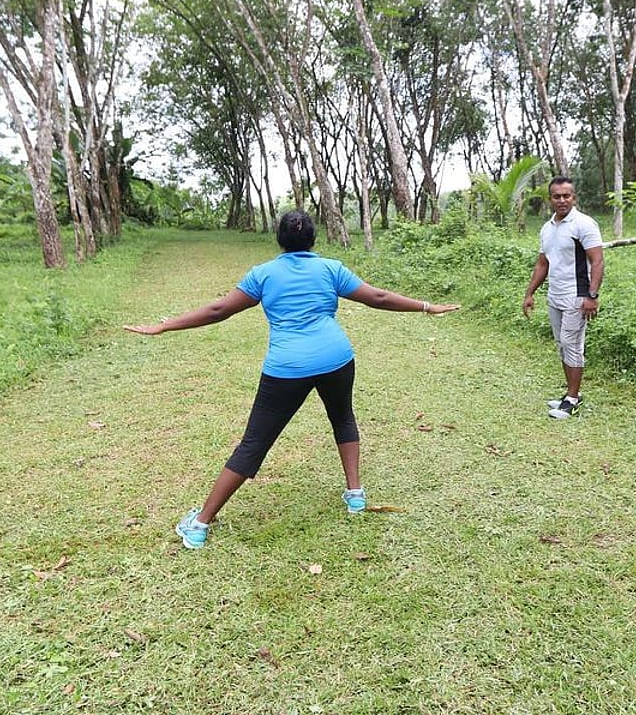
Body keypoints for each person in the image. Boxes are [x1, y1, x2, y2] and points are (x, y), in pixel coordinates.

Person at [124, 210, 460, 550]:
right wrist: (426, 306)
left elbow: (217, 311)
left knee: (254, 444)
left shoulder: (264, 274)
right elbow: (379, 298)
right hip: (336, 358)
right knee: (342, 417)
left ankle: (199, 524)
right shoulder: (330, 268)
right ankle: (355, 494)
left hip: (288, 367)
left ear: (280, 240)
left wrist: (165, 325)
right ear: (313, 240)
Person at [522, 176, 605, 419]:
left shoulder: (584, 225)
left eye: (566, 195)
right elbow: (542, 264)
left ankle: (572, 398)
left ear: (574, 198)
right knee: (562, 345)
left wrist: (592, 296)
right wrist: (529, 293)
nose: (562, 200)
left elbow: (598, 261)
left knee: (572, 345)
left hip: (576, 296)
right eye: (557, 196)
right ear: (550, 200)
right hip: (554, 295)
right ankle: (570, 394)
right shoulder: (548, 228)